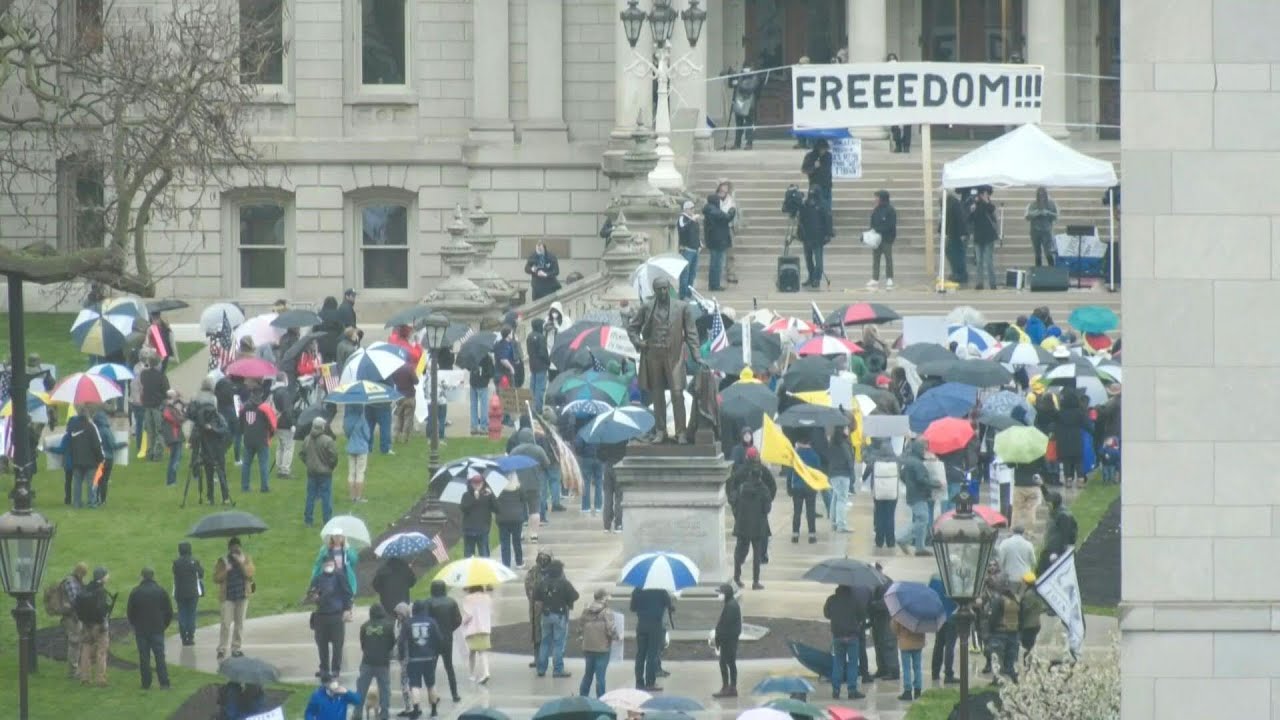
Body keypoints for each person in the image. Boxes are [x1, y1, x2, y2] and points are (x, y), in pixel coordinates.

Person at [627, 276, 702, 441]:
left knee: (677, 393)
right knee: (657, 394)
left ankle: (681, 431)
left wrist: (696, 355)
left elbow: (691, 333)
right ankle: (661, 431)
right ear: (655, 291)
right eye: (659, 289)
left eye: (665, 288)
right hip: (653, 357)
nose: (663, 291)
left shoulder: (682, 307)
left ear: (669, 288)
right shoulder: (647, 307)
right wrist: (639, 343)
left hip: (674, 357)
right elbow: (632, 327)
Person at [728, 448, 773, 589]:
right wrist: (767, 505)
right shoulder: (764, 488)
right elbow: (769, 500)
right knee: (757, 553)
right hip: (759, 524)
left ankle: (736, 577)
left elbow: (730, 489)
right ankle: (755, 581)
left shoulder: (741, 483)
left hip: (742, 521)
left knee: (739, 550)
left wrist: (736, 509)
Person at [126, 567, 173, 690]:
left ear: (142, 576)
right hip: (157, 629)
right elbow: (169, 611)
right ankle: (164, 683)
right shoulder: (160, 591)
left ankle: (146, 683)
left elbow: (130, 612)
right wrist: (164, 625)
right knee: (160, 656)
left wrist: (135, 624)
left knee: (144, 657)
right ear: (153, 576)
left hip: (141, 630)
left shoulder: (136, 592)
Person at [308, 555, 354, 679]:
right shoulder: (318, 579)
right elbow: (311, 593)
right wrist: (314, 596)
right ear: (323, 566)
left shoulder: (340, 577)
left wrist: (347, 609)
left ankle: (335, 669)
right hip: (321, 615)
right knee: (321, 644)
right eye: (327, 564)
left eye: (331, 564)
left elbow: (347, 594)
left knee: (337, 644)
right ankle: (324, 668)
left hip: (336, 615)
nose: (329, 566)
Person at [535, 559, 578, 678]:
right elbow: (575, 596)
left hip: (546, 615)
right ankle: (558, 669)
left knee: (545, 642)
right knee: (558, 643)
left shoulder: (542, 583)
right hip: (559, 615)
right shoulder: (564, 583)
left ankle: (541, 669)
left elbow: (536, 598)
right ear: (560, 571)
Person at [214, 537, 256, 661]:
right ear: (229, 549)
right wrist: (226, 570)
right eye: (233, 548)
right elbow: (216, 578)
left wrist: (242, 563)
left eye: (237, 547)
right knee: (225, 623)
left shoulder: (246, 558)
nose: (235, 550)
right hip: (227, 596)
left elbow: (250, 574)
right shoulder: (222, 561)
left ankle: (236, 648)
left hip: (242, 596)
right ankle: (222, 649)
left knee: (240, 624)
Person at [400, 600, 443, 719]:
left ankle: (416, 710)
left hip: (414, 659)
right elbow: (439, 639)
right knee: (431, 684)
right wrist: (435, 652)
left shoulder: (408, 623)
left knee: (414, 686)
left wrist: (402, 656)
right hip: (429, 658)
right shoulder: (432, 621)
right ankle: (434, 710)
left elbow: (401, 641)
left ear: (413, 610)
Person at [823, 585, 866, 700]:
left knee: (838, 663)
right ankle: (852, 691)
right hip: (852, 636)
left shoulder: (831, 599)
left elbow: (826, 614)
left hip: (838, 636)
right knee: (852, 664)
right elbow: (862, 616)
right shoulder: (855, 600)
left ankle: (836, 691)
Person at [356, 604, 397, 720]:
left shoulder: (364, 626)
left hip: (367, 661)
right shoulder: (389, 626)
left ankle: (357, 713)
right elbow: (392, 643)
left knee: (361, 689)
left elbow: (362, 644)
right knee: (384, 689)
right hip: (383, 662)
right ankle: (384, 713)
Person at [424, 580, 463, 701]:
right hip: (447, 638)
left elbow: (425, 620)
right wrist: (450, 629)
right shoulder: (451, 602)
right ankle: (455, 694)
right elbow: (458, 620)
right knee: (449, 667)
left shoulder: (429, 602)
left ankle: (433, 694)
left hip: (433, 641)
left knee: (431, 669)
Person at [75, 566, 113, 687]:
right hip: (99, 626)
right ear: (102, 578)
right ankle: (100, 679)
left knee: (85, 651)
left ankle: (84, 677)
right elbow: (102, 610)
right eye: (106, 575)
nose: (108, 577)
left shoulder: (85, 589)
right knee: (101, 652)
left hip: (86, 625)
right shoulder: (101, 591)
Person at [578, 588, 619, 697]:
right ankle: (601, 698)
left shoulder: (586, 610)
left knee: (588, 675)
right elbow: (611, 629)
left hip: (588, 647)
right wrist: (617, 637)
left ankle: (583, 696)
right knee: (600, 677)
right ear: (603, 598)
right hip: (602, 648)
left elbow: (580, 627)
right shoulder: (607, 611)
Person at [895, 440, 933, 556]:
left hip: (912, 494)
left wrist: (909, 484)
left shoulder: (909, 461)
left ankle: (920, 547)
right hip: (919, 495)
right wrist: (935, 484)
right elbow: (922, 479)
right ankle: (903, 538)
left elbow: (902, 475)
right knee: (922, 519)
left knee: (921, 519)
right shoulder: (917, 464)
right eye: (924, 449)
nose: (925, 452)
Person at [63, 405, 105, 509]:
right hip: (90, 461)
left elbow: (70, 445)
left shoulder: (73, 428)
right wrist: (100, 458)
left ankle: (76, 503)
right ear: (87, 415)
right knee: (91, 483)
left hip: (77, 460)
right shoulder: (91, 427)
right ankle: (91, 502)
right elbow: (96, 445)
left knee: (77, 483)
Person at [630, 586, 671, 691]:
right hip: (655, 625)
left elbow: (632, 608)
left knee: (640, 654)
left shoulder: (637, 590)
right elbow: (670, 606)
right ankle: (650, 683)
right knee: (652, 655)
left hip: (641, 624)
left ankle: (639, 682)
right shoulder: (661, 590)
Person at [301, 416, 339, 526]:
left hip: (311, 472)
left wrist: (308, 463)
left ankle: (308, 520)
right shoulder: (328, 440)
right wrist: (330, 466)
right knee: (326, 497)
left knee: (310, 496)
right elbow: (334, 456)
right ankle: (327, 520)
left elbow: (302, 454)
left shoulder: (307, 439)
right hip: (325, 473)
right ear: (323, 427)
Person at [53, 562, 89, 678]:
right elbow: (75, 600)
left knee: (77, 642)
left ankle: (75, 669)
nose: (83, 576)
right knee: (74, 642)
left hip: (74, 616)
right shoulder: (70, 582)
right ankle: (73, 671)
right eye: (83, 573)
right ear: (79, 572)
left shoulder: (76, 580)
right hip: (71, 617)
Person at [239, 389, 276, 493]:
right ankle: (264, 487)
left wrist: (244, 432)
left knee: (246, 464)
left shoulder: (244, 408)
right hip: (262, 440)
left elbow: (240, 423)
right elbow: (273, 425)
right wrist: (270, 435)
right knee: (263, 464)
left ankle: (245, 487)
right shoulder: (265, 408)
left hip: (248, 439)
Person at [711, 583, 742, 698]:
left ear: (726, 593)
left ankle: (729, 688)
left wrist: (719, 638)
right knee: (727, 662)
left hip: (729, 640)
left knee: (727, 663)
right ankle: (728, 687)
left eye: (721, 593)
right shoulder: (730, 604)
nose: (720, 595)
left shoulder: (731, 606)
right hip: (728, 639)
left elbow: (726, 625)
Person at [702, 186, 737, 292]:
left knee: (715, 263)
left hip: (714, 240)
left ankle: (714, 284)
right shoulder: (714, 211)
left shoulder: (709, 210)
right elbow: (727, 217)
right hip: (718, 241)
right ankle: (714, 285)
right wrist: (732, 209)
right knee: (717, 264)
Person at [985, 584, 1022, 681]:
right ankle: (1013, 680)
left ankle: (997, 680)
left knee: (998, 658)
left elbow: (993, 617)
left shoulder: (998, 600)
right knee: (1010, 660)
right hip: (1013, 633)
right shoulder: (1015, 601)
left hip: (999, 633)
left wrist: (989, 631)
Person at [867, 440, 900, 547]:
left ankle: (879, 541)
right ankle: (890, 541)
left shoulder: (875, 460)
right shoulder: (896, 461)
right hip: (892, 493)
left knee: (879, 516)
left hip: (878, 492)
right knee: (890, 516)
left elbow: (867, 464)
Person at [787, 439, 820, 544]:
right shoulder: (814, 455)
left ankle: (795, 535)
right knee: (810, 512)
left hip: (797, 487)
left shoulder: (795, 455)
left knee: (797, 512)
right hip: (810, 487)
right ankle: (812, 536)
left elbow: (790, 472)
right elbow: (817, 472)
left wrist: (789, 487)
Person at [798, 186, 832, 289]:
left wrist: (828, 234)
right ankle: (811, 277)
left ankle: (817, 278)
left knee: (818, 260)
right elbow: (801, 220)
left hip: (818, 237)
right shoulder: (805, 204)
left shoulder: (823, 205)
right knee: (808, 259)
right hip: (807, 236)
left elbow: (828, 220)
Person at [1053, 391, 1089, 488]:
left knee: (1066, 460)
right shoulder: (1079, 412)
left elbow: (1055, 425)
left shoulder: (1059, 413)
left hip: (1063, 439)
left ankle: (1068, 479)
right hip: (1076, 438)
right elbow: (1087, 425)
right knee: (1078, 460)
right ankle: (1080, 479)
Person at [139, 353, 170, 461]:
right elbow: (167, 392)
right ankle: (157, 454)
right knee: (159, 431)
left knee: (150, 431)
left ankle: (149, 453)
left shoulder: (143, 374)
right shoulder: (161, 376)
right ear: (158, 364)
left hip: (147, 406)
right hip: (158, 406)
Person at [173, 543, 205, 647]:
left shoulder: (176, 563)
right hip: (192, 593)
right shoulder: (194, 562)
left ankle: (183, 638)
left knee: (182, 615)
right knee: (191, 615)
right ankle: (190, 637)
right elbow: (201, 574)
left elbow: (175, 573)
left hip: (180, 593)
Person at [928, 575, 958, 684]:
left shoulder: (934, 580)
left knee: (938, 645)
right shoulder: (953, 581)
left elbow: (930, 596)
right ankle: (948, 674)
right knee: (950, 647)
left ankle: (935, 673)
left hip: (939, 616)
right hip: (952, 617)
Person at [1039, 491, 1078, 574]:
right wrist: (1042, 486)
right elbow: (1047, 497)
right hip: (1051, 548)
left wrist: (1058, 553)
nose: (1047, 505)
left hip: (1056, 551)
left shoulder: (1063, 516)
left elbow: (1066, 535)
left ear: (1054, 503)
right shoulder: (1057, 511)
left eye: (1049, 503)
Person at [525, 550, 552, 668]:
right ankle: (537, 658)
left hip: (550, 608)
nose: (543, 560)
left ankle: (547, 659)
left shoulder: (554, 572)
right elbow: (528, 588)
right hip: (535, 609)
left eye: (545, 558)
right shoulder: (533, 572)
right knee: (536, 634)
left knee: (549, 634)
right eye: (541, 558)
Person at [462, 586, 495, 684]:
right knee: (482, 651)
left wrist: (462, 622)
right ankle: (485, 672)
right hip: (484, 628)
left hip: (472, 629)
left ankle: (473, 674)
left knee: (472, 653)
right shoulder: (487, 597)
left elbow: (468, 614)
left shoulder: (468, 598)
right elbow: (490, 612)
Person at [970, 186, 1000, 290]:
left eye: (985, 194)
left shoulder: (989, 205)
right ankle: (979, 283)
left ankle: (992, 283)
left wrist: (987, 201)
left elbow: (992, 210)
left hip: (988, 236)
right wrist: (972, 210)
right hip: (978, 236)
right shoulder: (976, 205)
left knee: (988, 261)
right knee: (979, 261)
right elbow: (970, 219)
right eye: (982, 194)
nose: (983, 196)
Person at [460, 474, 496, 557]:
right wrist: (475, 499)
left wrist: (492, 495)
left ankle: (485, 569)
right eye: (475, 483)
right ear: (471, 484)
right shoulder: (466, 495)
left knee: (484, 554)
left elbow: (496, 509)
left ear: (483, 483)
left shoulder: (487, 495)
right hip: (469, 530)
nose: (477, 485)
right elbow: (463, 509)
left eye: (479, 483)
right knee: (469, 555)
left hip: (483, 529)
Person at [867, 190, 897, 289]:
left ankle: (889, 278)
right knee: (876, 259)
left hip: (887, 239)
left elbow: (891, 225)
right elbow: (872, 222)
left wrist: (878, 229)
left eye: (877, 197)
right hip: (876, 239)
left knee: (888, 258)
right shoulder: (876, 210)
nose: (875, 199)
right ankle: (875, 278)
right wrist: (871, 232)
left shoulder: (890, 210)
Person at [827, 427, 855, 533]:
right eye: (846, 428)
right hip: (843, 474)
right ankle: (841, 524)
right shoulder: (844, 444)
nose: (848, 430)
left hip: (833, 474)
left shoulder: (831, 443)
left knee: (835, 497)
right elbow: (849, 459)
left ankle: (834, 521)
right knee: (842, 500)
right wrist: (852, 475)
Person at [496, 474, 526, 568]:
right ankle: (519, 562)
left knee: (505, 542)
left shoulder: (499, 490)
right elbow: (524, 500)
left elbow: (494, 503)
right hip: (517, 518)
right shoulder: (519, 489)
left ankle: (506, 564)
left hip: (503, 518)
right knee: (517, 541)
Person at [892, 616, 926, 701]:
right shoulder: (920, 612)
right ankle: (918, 691)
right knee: (917, 668)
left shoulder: (901, 612)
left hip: (905, 642)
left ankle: (907, 691)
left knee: (906, 668)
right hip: (918, 642)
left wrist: (899, 633)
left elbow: (894, 627)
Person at [271, 374, 298, 478]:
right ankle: (285, 470)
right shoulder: (284, 392)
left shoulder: (274, 392)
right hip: (285, 423)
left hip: (277, 422)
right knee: (288, 447)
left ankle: (279, 467)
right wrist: (292, 424)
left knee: (280, 446)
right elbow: (287, 409)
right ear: (284, 380)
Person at [343, 405, 371, 502]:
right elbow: (367, 435)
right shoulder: (362, 419)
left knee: (351, 472)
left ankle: (352, 496)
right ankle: (358, 497)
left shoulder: (347, 419)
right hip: (362, 448)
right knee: (360, 473)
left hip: (351, 447)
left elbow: (346, 433)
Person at [1025, 186, 1059, 267]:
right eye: (1039, 195)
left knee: (1048, 251)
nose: (1041, 197)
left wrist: (1047, 213)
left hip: (1046, 231)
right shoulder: (1033, 204)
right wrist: (1037, 213)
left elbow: (1056, 216)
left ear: (1046, 195)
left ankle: (1052, 270)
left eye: (1043, 194)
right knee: (1037, 253)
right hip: (1035, 231)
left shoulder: (1051, 204)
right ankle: (1038, 272)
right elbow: (1027, 216)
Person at [728, 65, 759, 149]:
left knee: (748, 124)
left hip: (749, 103)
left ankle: (749, 143)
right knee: (739, 124)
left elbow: (750, 88)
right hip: (739, 102)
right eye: (744, 68)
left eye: (747, 68)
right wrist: (731, 77)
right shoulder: (740, 76)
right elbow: (731, 85)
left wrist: (738, 84)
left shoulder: (754, 77)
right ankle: (737, 144)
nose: (745, 70)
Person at [676, 200, 701, 299]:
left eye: (693, 208)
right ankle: (683, 294)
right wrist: (691, 220)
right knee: (685, 273)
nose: (693, 210)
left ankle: (689, 293)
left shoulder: (693, 219)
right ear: (685, 209)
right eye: (691, 208)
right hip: (686, 250)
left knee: (692, 273)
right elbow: (682, 229)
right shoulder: (683, 218)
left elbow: (695, 233)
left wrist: (699, 243)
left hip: (695, 249)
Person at [944, 188, 970, 285]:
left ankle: (960, 274)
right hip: (953, 232)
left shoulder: (953, 203)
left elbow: (960, 219)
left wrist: (962, 233)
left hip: (957, 233)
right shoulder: (948, 203)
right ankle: (957, 272)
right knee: (951, 252)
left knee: (957, 254)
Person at [161, 390, 186, 487]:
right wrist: (183, 414)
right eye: (176, 397)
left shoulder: (170, 408)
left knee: (174, 459)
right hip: (174, 437)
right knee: (175, 460)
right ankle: (171, 481)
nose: (177, 400)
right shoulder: (168, 409)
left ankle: (171, 481)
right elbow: (177, 420)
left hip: (175, 436)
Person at [801, 139, 833, 213]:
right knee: (815, 209)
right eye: (822, 149)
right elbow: (804, 170)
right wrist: (814, 167)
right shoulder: (810, 156)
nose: (823, 151)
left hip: (827, 185)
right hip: (815, 186)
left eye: (825, 149)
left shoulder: (828, 156)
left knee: (827, 208)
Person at [1016, 572, 1043, 658]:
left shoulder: (1029, 594)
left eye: (1023, 582)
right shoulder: (1037, 593)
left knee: (1026, 648)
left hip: (1029, 625)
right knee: (1029, 647)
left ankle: (1027, 665)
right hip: (1035, 624)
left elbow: (1024, 609)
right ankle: (1028, 664)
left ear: (1026, 583)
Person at [527, 318, 551, 414]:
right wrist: (548, 361)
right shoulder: (541, 337)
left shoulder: (529, 336)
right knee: (540, 388)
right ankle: (538, 410)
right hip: (541, 366)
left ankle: (531, 409)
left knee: (532, 388)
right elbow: (543, 353)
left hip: (532, 365)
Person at [468, 352, 494, 435]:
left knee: (473, 405)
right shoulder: (487, 358)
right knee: (484, 405)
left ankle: (474, 426)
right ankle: (484, 427)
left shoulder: (472, 356)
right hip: (482, 383)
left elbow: (469, 367)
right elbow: (491, 373)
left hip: (473, 382)